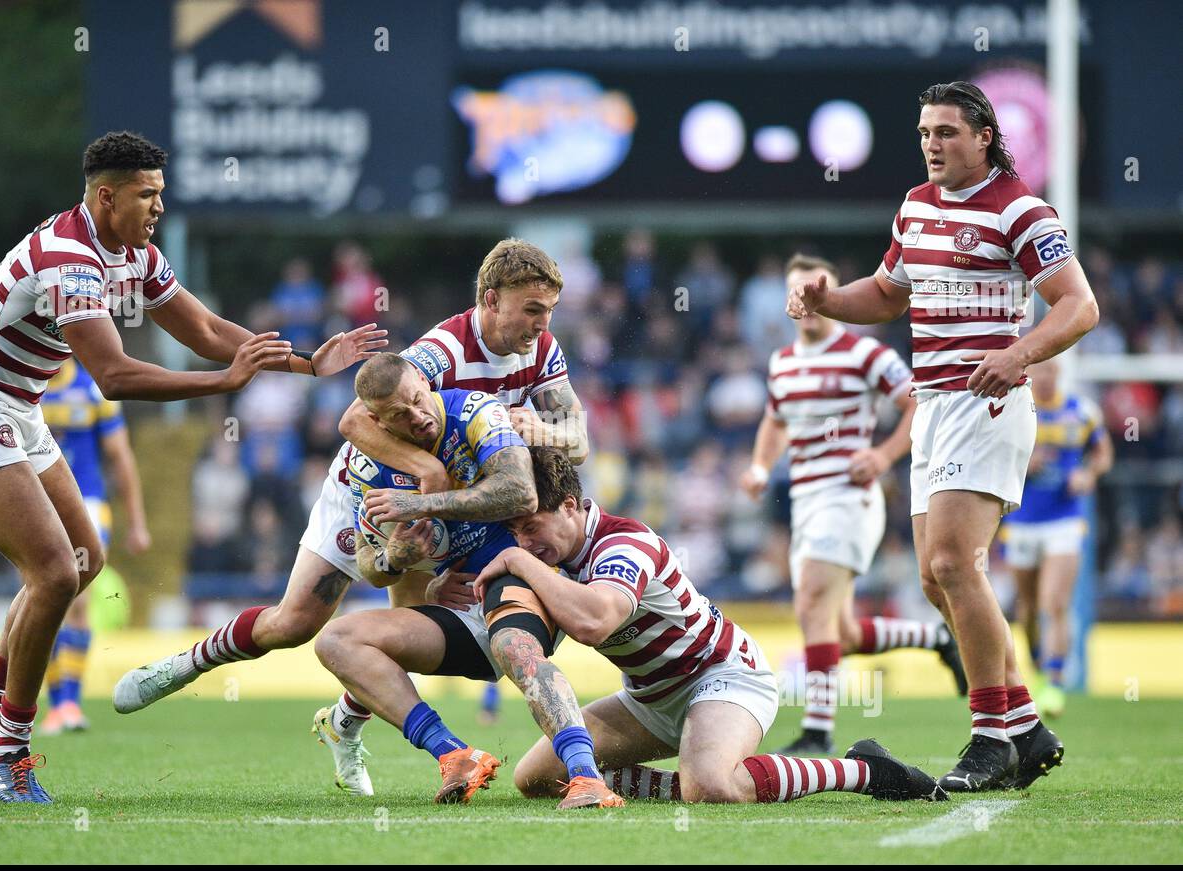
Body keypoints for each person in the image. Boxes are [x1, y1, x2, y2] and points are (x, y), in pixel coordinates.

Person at [0, 131, 384, 803]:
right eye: (147, 194)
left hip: (14, 406)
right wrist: (224, 384)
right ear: (106, 197)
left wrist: (306, 361)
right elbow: (112, 375)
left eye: (161, 193)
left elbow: (204, 330)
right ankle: (8, 749)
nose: (158, 206)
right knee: (53, 571)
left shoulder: (133, 254)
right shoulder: (70, 260)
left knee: (84, 557)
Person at [113, 239, 590, 796]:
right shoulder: (442, 349)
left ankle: (345, 724)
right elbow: (356, 420)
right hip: (372, 486)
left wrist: (536, 433)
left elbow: (576, 437)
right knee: (294, 624)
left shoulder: (543, 350)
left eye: (549, 310)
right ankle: (185, 665)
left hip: (448, 501)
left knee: (407, 633)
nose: (543, 322)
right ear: (492, 299)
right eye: (533, 309)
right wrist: (425, 476)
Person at [786, 81, 1099, 792]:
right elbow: (888, 293)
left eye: (948, 132)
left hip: (988, 404)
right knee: (935, 576)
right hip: (933, 405)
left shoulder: (1019, 207)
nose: (932, 144)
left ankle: (991, 737)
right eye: (925, 132)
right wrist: (828, 297)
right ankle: (1024, 722)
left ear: (984, 136)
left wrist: (1017, 354)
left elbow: (1080, 306)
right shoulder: (916, 205)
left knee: (958, 563)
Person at [478, 448, 946, 805]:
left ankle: (864, 770)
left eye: (531, 527)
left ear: (569, 506)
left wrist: (519, 559)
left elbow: (596, 621)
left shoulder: (624, 542)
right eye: (515, 533)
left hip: (722, 676)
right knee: (536, 779)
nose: (525, 542)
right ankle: (689, 773)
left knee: (713, 786)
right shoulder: (558, 559)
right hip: (649, 697)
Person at [314, 356, 621, 808]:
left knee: (513, 644)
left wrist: (424, 503)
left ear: (424, 379)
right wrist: (397, 557)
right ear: (375, 420)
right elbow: (369, 565)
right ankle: (454, 754)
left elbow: (520, 492)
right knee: (335, 641)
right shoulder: (366, 470)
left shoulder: (476, 412)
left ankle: (586, 777)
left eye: (417, 400)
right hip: (458, 601)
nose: (417, 417)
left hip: (520, 572)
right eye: (399, 414)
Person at [741, 253, 966, 757]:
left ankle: (818, 730)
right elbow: (775, 421)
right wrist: (760, 466)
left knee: (810, 606)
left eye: (823, 289)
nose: (814, 299)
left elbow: (918, 399)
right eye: (803, 290)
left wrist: (884, 454)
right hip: (805, 500)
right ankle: (935, 638)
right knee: (835, 631)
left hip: (848, 498)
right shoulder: (783, 362)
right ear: (790, 301)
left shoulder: (863, 352)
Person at [39, 358, 151, 733]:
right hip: (37, 502)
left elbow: (121, 457)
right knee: (47, 600)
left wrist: (136, 522)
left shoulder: (92, 389)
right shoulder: (25, 387)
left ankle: (69, 702)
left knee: (78, 596)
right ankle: (57, 706)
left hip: (88, 502)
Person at [1002, 358, 1112, 717]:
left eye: (1052, 370)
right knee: (1029, 608)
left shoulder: (1081, 412)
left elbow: (1102, 453)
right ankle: (1038, 669)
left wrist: (1088, 474)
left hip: (1066, 519)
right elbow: (996, 453)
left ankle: (1054, 682)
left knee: (1055, 603)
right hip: (1022, 520)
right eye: (1041, 371)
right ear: (1031, 374)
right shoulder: (1016, 409)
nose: (1046, 377)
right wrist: (1022, 463)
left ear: (1059, 374)